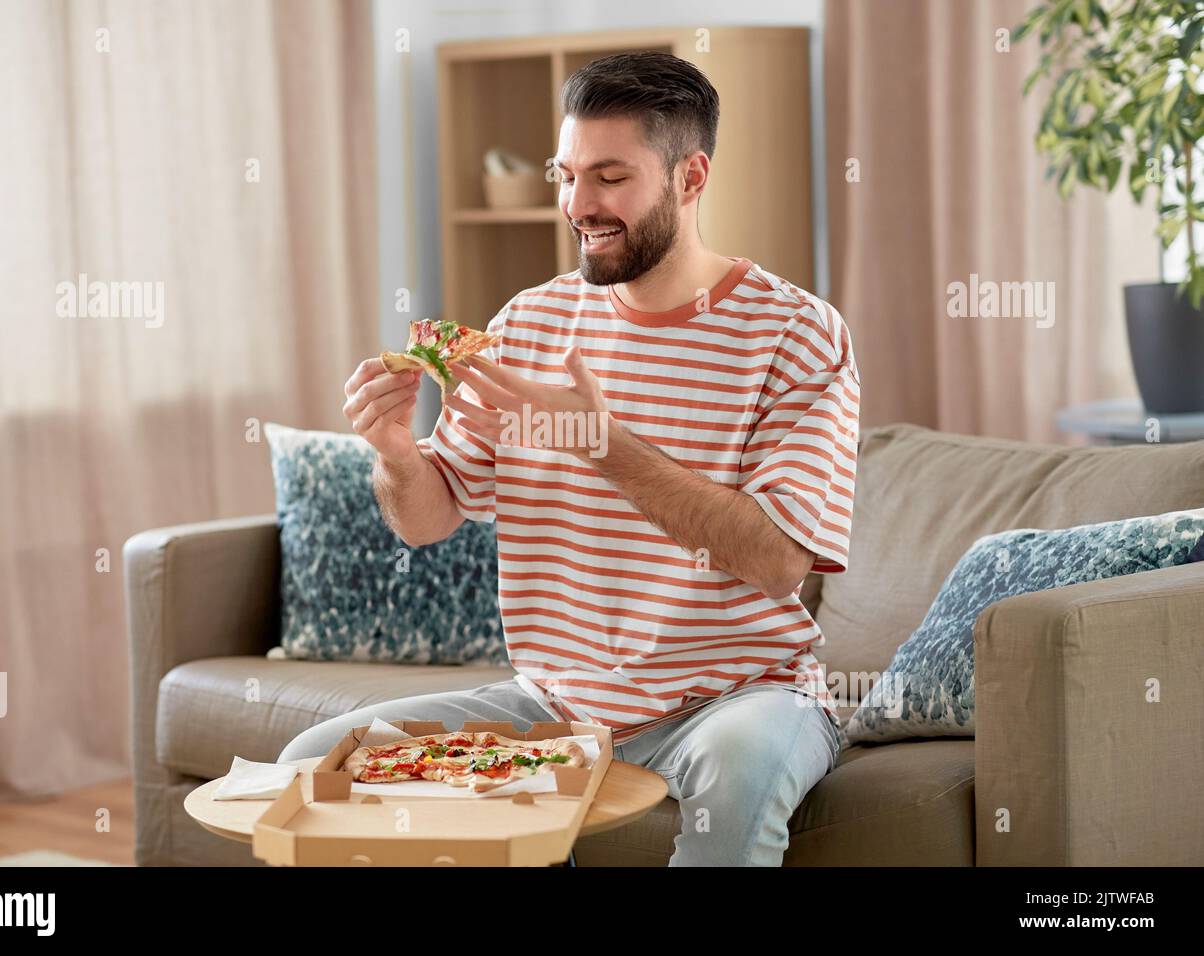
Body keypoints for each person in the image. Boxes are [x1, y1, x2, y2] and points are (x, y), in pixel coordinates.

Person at [279, 51, 861, 866]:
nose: (577, 205)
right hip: (551, 704)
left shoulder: (796, 335)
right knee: (309, 765)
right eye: (566, 173)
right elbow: (427, 518)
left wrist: (600, 442)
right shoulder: (529, 323)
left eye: (610, 177)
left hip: (740, 700)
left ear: (690, 178)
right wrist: (395, 453)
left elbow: (775, 560)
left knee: (735, 781)